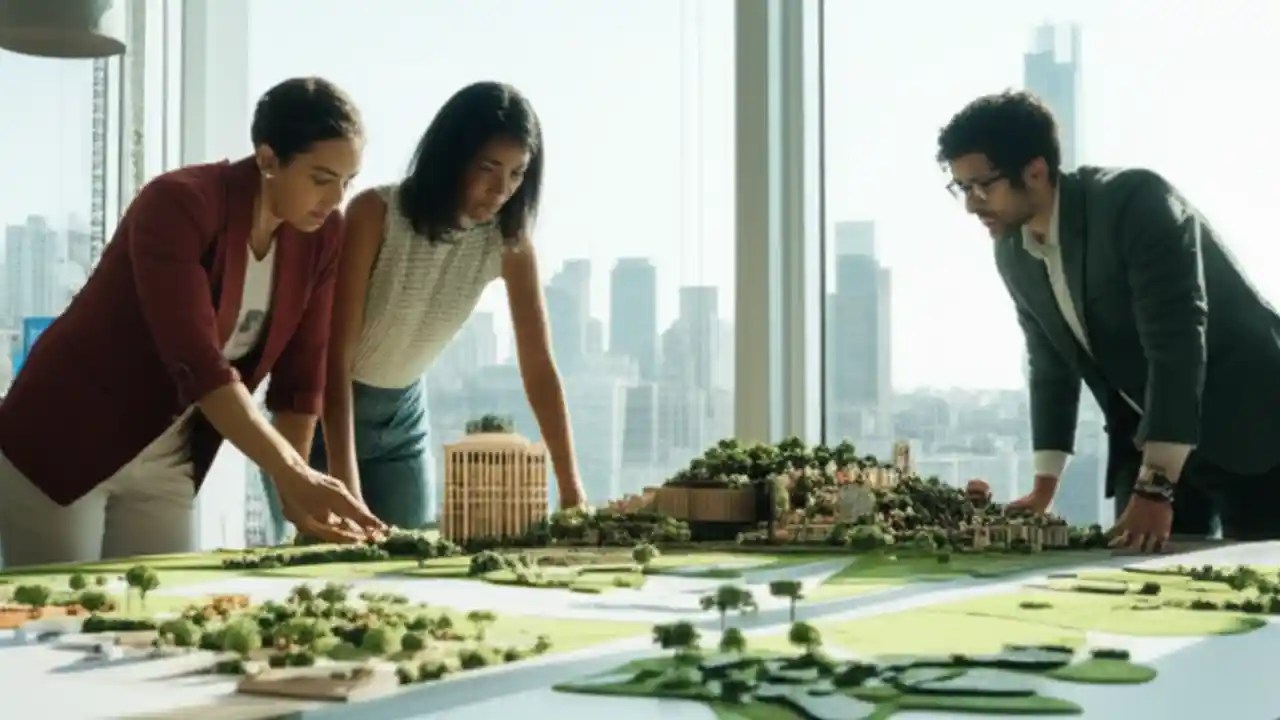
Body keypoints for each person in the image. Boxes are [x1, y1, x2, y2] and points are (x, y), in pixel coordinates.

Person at [0, 77, 387, 568]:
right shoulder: (178, 202)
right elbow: (198, 362)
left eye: (348, 181)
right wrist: (294, 473)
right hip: (67, 438)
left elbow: (300, 380)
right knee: (60, 606)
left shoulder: (322, 235)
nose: (336, 199)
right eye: (321, 178)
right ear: (268, 159)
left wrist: (292, 492)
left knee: (157, 607)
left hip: (169, 456)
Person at [935, 90, 1280, 552]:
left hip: (1254, 425)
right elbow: (1049, 362)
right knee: (1133, 566)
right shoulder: (1013, 250)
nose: (971, 205)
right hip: (1148, 432)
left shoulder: (1135, 201)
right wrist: (1044, 486)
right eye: (962, 188)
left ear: (1035, 172)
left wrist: (1155, 487)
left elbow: (1177, 341)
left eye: (982, 186)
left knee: (1260, 577)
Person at [261, 80, 587, 538]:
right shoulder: (374, 213)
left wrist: (571, 490)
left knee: (403, 559)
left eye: (517, 174)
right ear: (452, 156)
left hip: (403, 420)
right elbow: (334, 356)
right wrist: (346, 481)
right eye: (488, 168)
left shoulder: (511, 246)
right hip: (320, 412)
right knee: (314, 558)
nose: (501, 190)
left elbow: (539, 368)